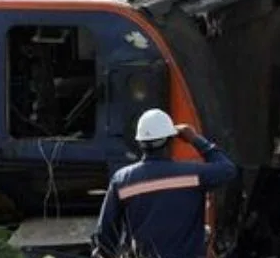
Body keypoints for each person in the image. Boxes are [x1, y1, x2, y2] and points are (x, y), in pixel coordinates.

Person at [92, 108, 237, 258]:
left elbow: (105, 235)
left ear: (139, 142)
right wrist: (195, 138)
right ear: (171, 140)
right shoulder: (193, 175)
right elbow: (228, 169)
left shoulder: (122, 180)